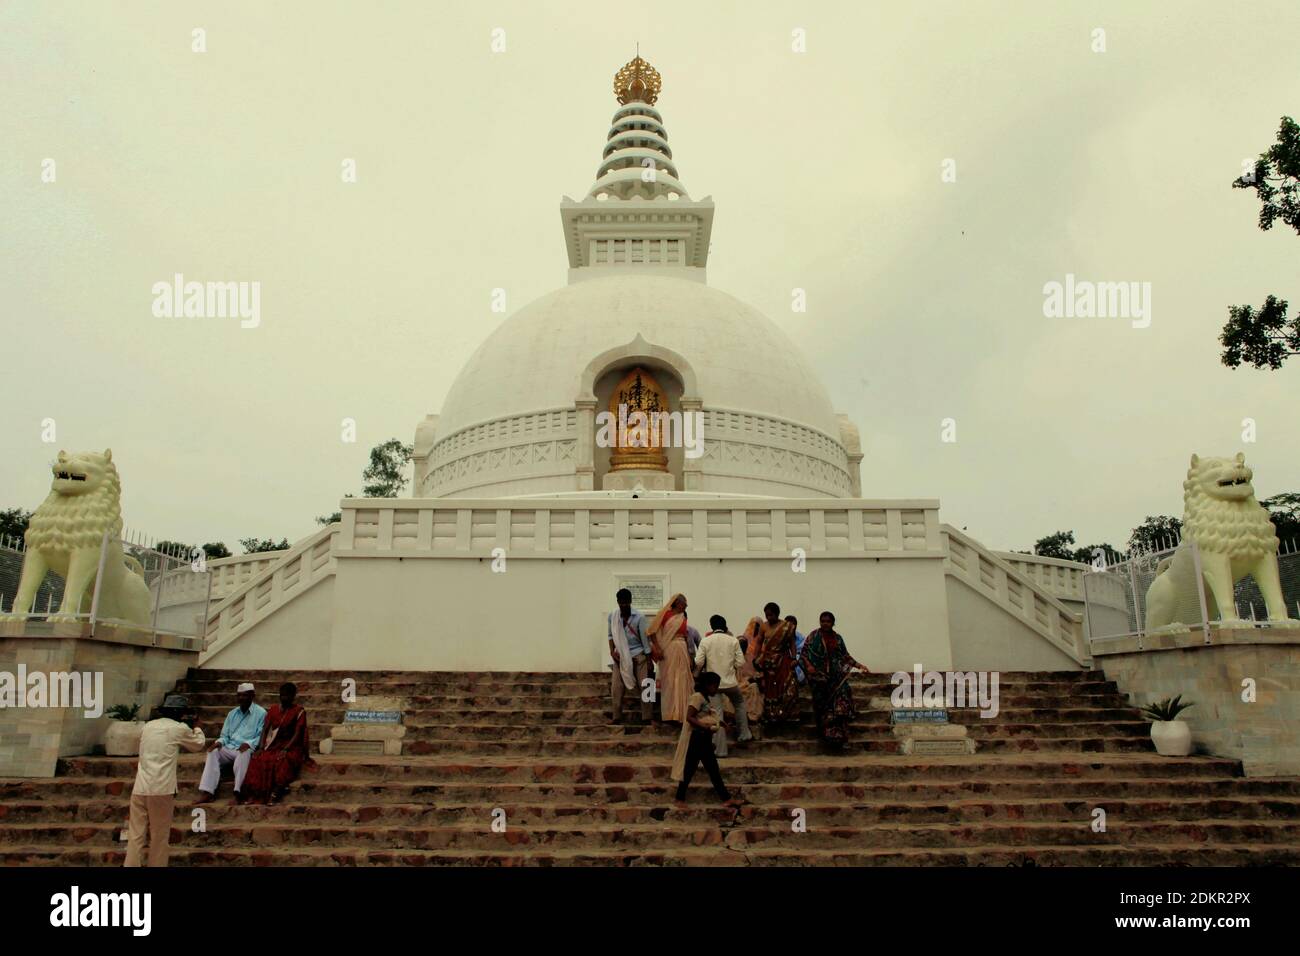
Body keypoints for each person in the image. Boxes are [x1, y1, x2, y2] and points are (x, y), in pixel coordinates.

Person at [125, 694, 205, 867]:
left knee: (135, 835)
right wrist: (197, 728)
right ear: (179, 713)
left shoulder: (148, 726)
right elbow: (198, 744)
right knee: (159, 837)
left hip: (140, 787)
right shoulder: (179, 728)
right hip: (161, 788)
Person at [798, 611, 871, 750]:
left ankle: (842, 738)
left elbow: (845, 656)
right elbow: (804, 655)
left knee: (840, 707)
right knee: (823, 709)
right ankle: (826, 739)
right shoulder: (813, 636)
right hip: (819, 680)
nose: (825, 623)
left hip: (836, 679)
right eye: (822, 621)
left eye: (828, 621)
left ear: (833, 623)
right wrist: (809, 667)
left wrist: (859, 665)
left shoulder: (838, 639)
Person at [670, 672, 744, 809]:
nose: (716, 689)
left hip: (703, 738)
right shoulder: (697, 697)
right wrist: (704, 726)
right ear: (707, 685)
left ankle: (725, 798)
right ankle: (679, 798)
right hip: (697, 738)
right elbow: (690, 717)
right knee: (690, 769)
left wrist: (720, 723)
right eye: (715, 686)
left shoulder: (705, 698)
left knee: (712, 769)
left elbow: (706, 715)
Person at [242, 683, 316, 804]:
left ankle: (276, 792)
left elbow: (298, 734)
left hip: (292, 746)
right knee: (257, 758)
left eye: (287, 696)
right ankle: (255, 794)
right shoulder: (273, 710)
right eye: (282, 695)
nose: (284, 698)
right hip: (275, 744)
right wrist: (261, 747)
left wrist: (286, 749)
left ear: (293, 696)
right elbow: (265, 729)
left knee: (282, 760)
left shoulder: (299, 711)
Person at [197, 682, 266, 804]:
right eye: (239, 695)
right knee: (212, 752)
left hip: (246, 749)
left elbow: (260, 736)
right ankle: (208, 792)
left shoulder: (261, 713)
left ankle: (238, 793)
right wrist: (218, 742)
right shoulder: (232, 714)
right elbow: (225, 736)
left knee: (243, 754)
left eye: (244, 695)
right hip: (230, 747)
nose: (241, 698)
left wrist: (249, 744)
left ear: (252, 696)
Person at [694, 614, 751, 756]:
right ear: (725, 626)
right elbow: (740, 663)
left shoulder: (706, 641)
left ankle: (720, 750)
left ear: (711, 626)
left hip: (713, 684)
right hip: (730, 682)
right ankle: (744, 733)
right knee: (739, 703)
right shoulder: (733, 641)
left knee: (717, 714)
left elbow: (699, 662)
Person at [608, 588, 654, 724]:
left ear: (630, 602)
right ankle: (616, 716)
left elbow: (645, 641)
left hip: (639, 655)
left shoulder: (640, 617)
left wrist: (649, 660)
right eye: (621, 603)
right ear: (617, 602)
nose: (623, 606)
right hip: (621, 657)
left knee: (646, 685)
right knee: (616, 687)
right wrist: (612, 652)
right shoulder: (613, 616)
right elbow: (610, 636)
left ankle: (647, 717)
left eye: (626, 603)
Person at [751, 602, 800, 724]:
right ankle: (771, 715)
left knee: (786, 686)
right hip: (768, 663)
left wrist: (794, 658)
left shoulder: (787, 626)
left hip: (783, 661)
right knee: (769, 689)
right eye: (767, 615)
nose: (769, 618)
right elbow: (758, 643)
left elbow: (792, 644)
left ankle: (787, 714)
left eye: (771, 615)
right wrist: (755, 657)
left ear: (777, 614)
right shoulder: (763, 626)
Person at [649, 593, 693, 723]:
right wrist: (657, 648)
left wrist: (690, 655)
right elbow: (651, 631)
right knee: (670, 681)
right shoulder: (665, 614)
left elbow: (685, 636)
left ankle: (682, 713)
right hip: (669, 649)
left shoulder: (683, 616)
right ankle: (670, 714)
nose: (686, 605)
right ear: (677, 603)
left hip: (682, 649)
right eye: (684, 602)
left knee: (682, 679)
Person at [788, 615, 807, 685]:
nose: (792, 627)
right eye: (789, 625)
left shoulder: (801, 638)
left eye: (794, 624)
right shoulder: (781, 637)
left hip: (797, 661)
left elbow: (804, 652)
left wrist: (796, 659)